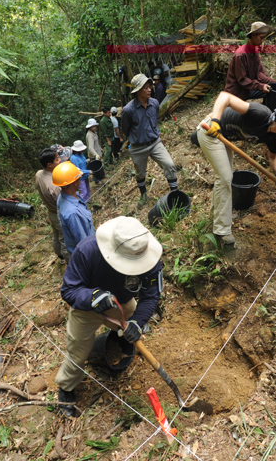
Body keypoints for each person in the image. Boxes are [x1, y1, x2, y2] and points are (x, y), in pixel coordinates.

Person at [55, 217, 163, 417]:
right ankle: (66, 388)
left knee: (134, 329)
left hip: (123, 304)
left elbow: (151, 295)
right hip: (86, 309)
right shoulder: (87, 251)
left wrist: (137, 323)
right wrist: (93, 297)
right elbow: (69, 290)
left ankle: (128, 340)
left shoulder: (147, 254)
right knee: (78, 353)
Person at [196, 93, 276, 247]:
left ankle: (214, 216)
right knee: (226, 177)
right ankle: (222, 230)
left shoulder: (274, 136)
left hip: (225, 139)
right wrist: (215, 121)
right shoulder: (260, 113)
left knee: (224, 178)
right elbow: (224, 97)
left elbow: (273, 157)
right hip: (210, 131)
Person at [120, 73, 179, 207]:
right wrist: (136, 137)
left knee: (169, 164)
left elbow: (154, 119)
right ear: (137, 91)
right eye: (145, 87)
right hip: (138, 147)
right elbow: (125, 129)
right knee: (140, 173)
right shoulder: (128, 110)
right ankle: (143, 194)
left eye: (149, 86)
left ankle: (175, 193)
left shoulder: (155, 103)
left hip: (155, 143)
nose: (149, 89)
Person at [225, 21, 276, 111]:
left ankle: (268, 115)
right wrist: (260, 86)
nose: (262, 40)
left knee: (271, 90)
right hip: (235, 93)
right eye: (261, 37)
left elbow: (259, 74)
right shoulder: (240, 55)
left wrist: (274, 83)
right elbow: (242, 79)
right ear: (253, 35)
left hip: (248, 90)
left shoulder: (254, 51)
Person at [53, 161, 95, 260]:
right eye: (79, 177)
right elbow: (84, 244)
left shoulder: (65, 196)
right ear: (75, 182)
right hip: (87, 256)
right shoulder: (73, 213)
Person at [35, 148, 69, 260]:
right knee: (65, 240)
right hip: (58, 214)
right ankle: (69, 261)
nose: (60, 160)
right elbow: (63, 204)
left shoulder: (39, 174)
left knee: (56, 235)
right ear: (50, 165)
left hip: (50, 212)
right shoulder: (54, 186)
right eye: (57, 159)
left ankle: (60, 256)